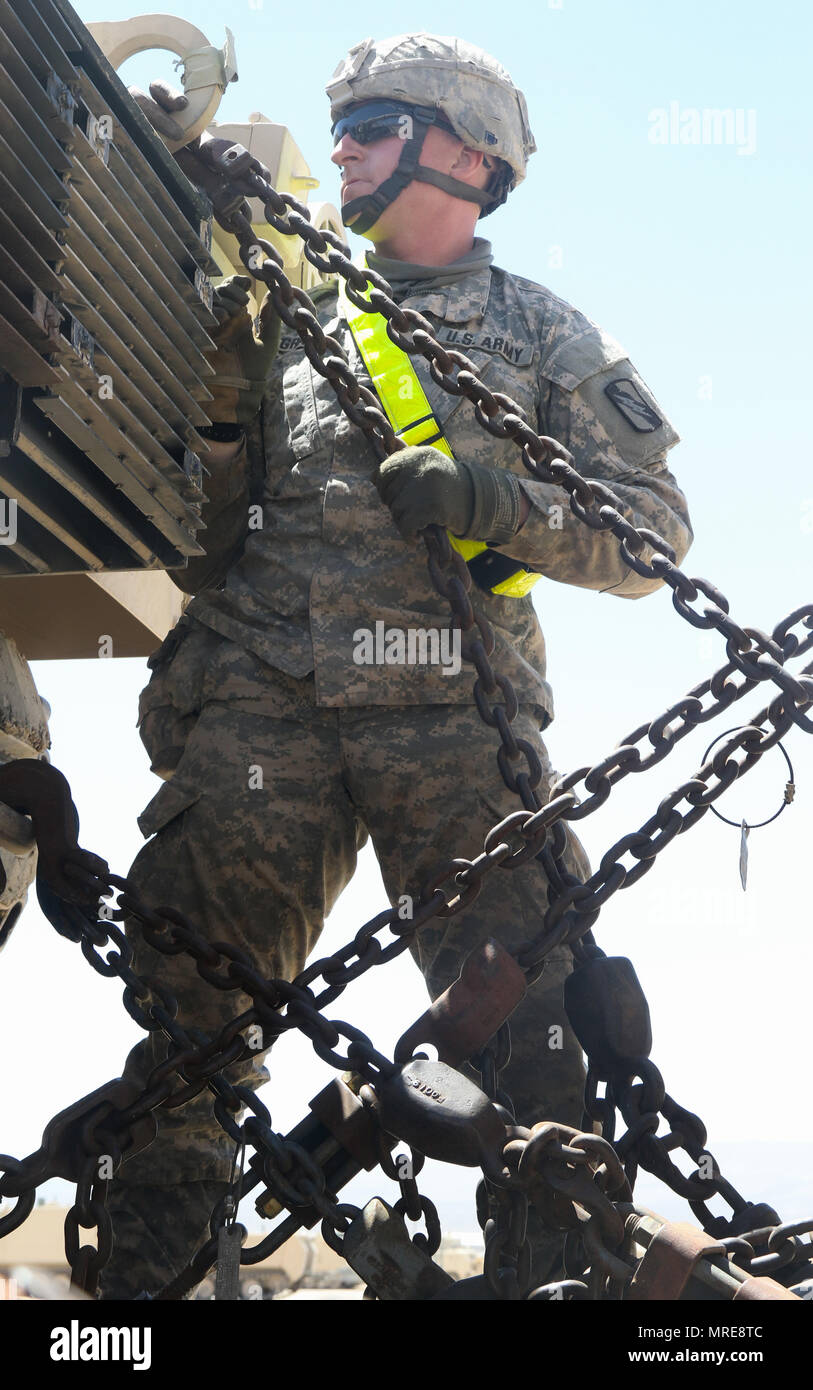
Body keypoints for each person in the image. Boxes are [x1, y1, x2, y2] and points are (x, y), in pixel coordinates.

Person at [100, 32, 693, 1299]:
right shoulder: (289, 312)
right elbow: (207, 509)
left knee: (528, 1042)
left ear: (464, 155)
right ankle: (144, 1311)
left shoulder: (536, 326)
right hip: (265, 719)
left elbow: (658, 540)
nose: (344, 149)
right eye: (344, 128)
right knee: (190, 1038)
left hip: (452, 728)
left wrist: (494, 496)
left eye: (372, 124)